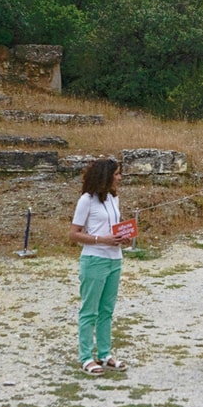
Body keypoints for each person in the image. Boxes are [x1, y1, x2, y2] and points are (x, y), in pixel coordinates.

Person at [68, 157, 132, 376]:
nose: (120, 178)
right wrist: (101, 240)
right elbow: (74, 233)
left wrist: (123, 237)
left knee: (107, 309)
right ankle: (86, 356)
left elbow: (114, 227)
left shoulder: (114, 199)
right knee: (90, 309)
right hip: (95, 258)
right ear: (106, 176)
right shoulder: (86, 200)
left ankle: (104, 353)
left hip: (115, 259)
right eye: (116, 174)